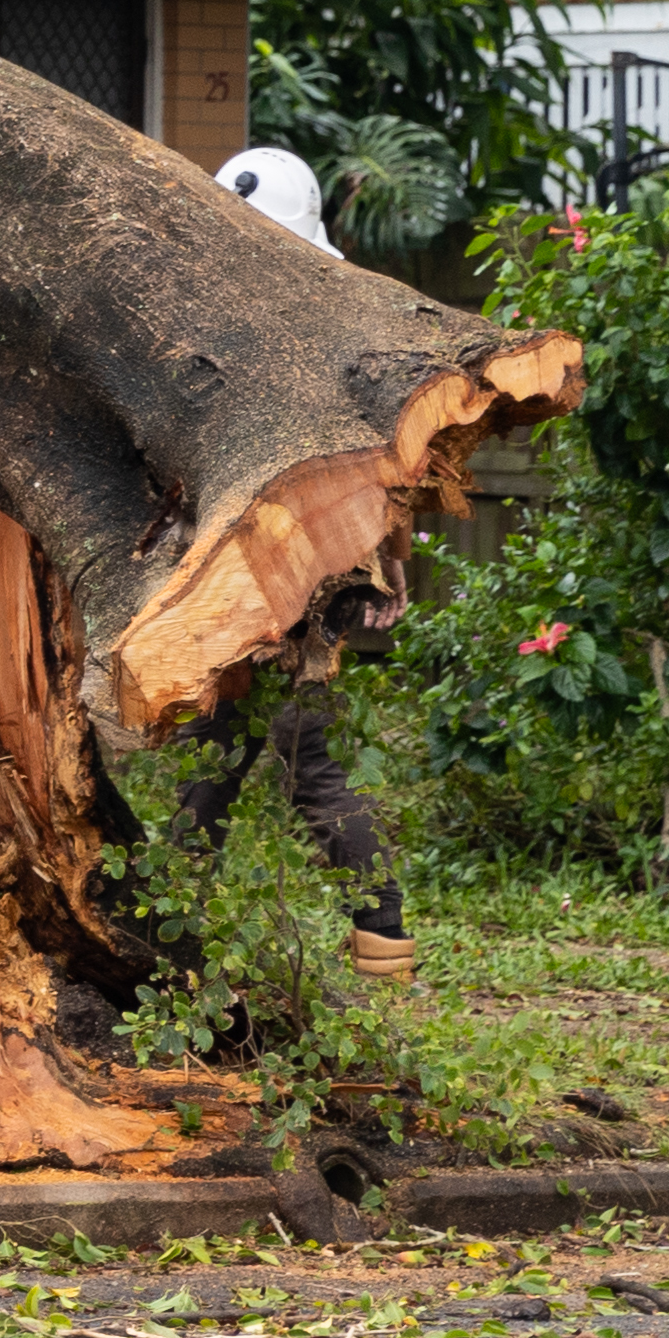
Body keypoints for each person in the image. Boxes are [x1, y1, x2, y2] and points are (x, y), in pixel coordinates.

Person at [191, 142, 419, 983]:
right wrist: (392, 561)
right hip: (317, 558)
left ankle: (381, 930)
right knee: (225, 750)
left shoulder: (213, 317)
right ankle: (169, 926)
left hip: (253, 564)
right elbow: (389, 454)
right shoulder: (348, 313)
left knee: (285, 754)